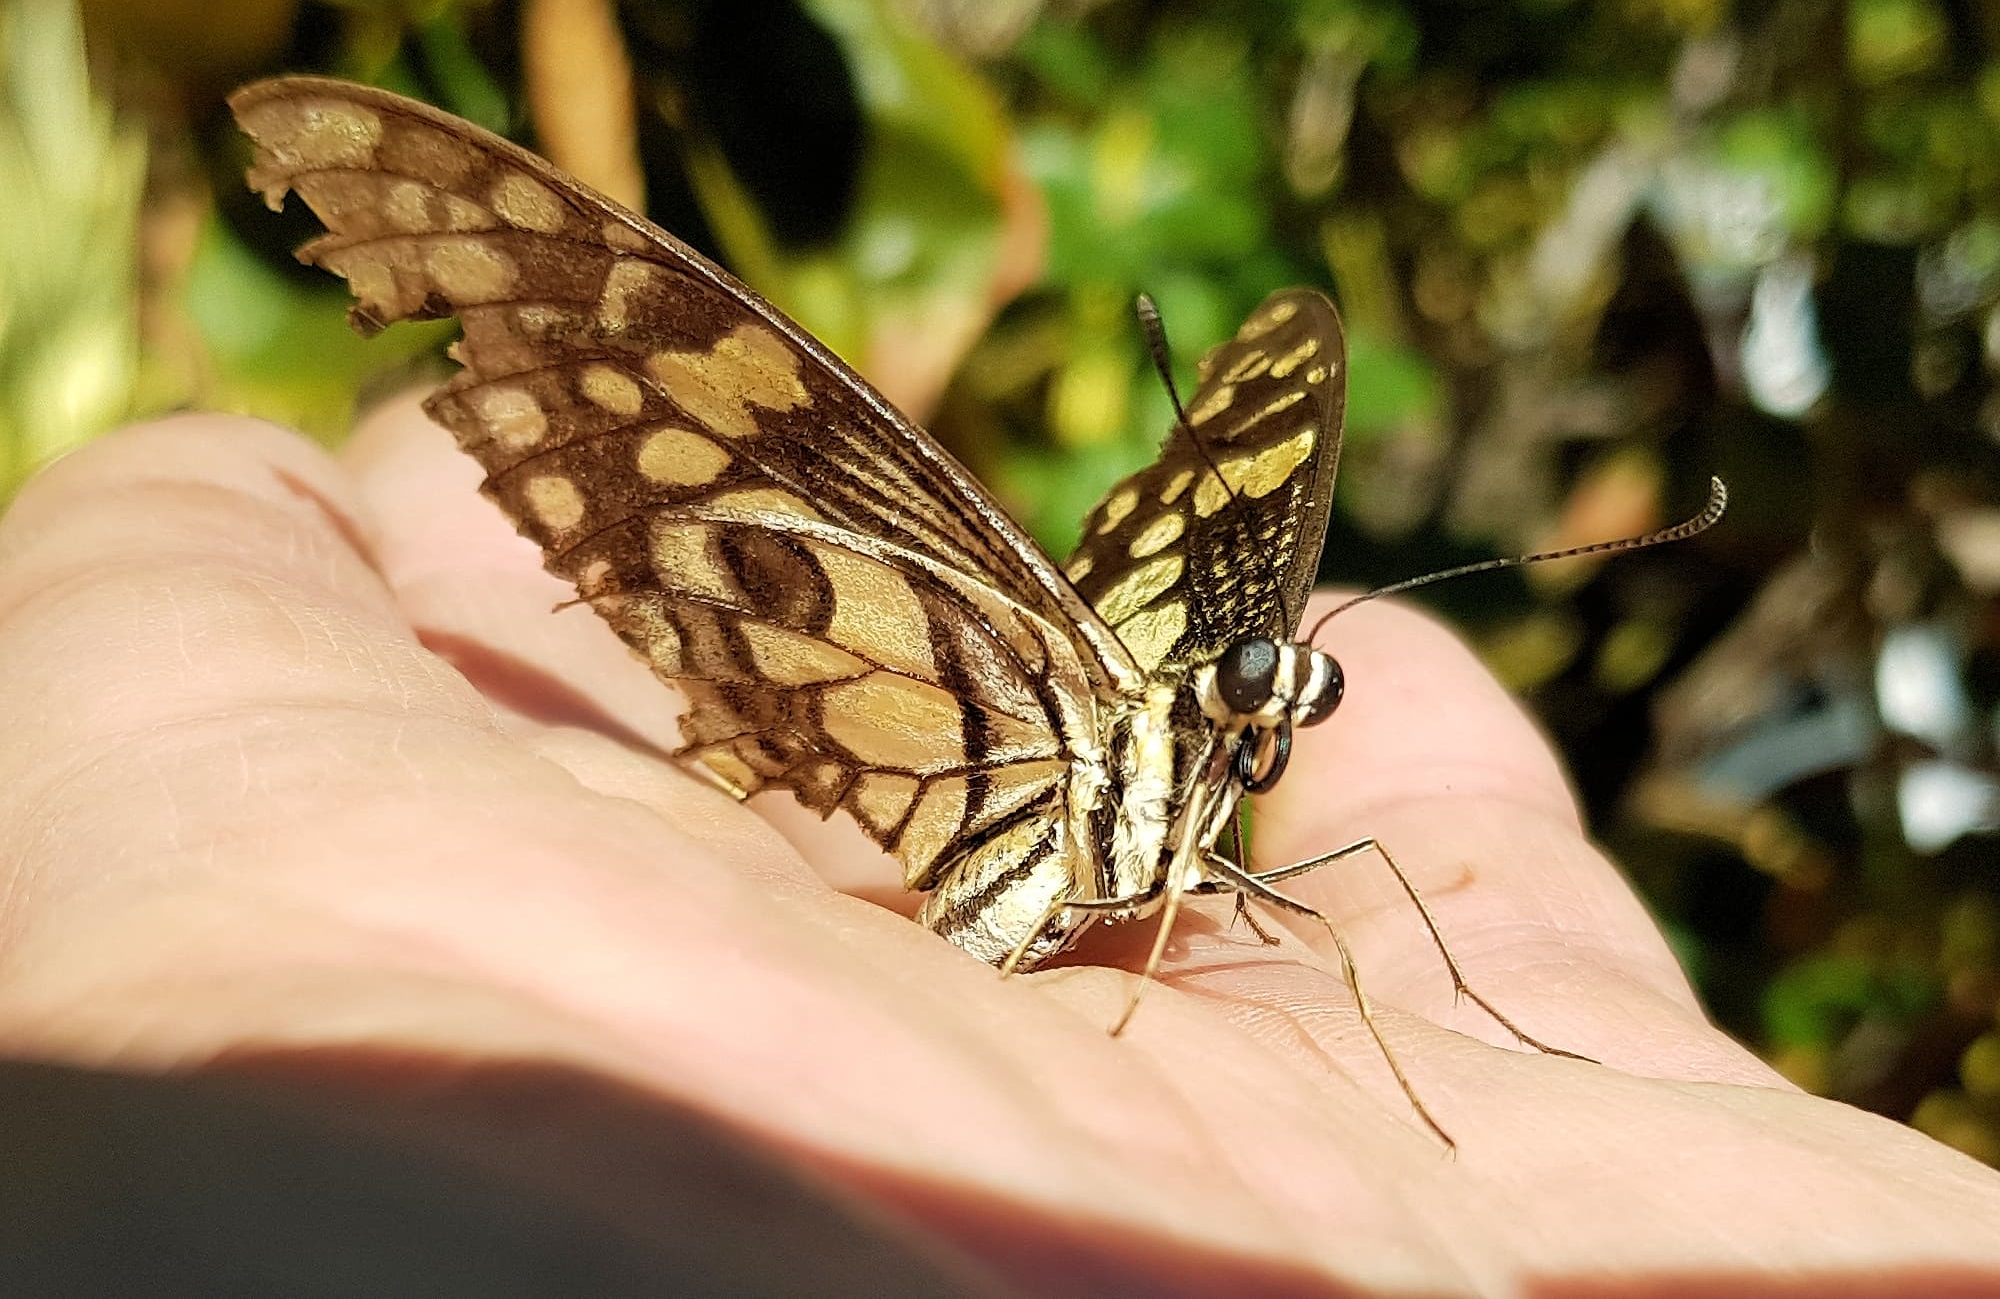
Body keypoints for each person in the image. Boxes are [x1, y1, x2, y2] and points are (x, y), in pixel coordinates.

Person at [2, 400, 1996, 1298]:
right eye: (1264, 679)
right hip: (960, 808)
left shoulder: (1213, 779)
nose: (1286, 716)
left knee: (1367, 870)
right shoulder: (1108, 717)